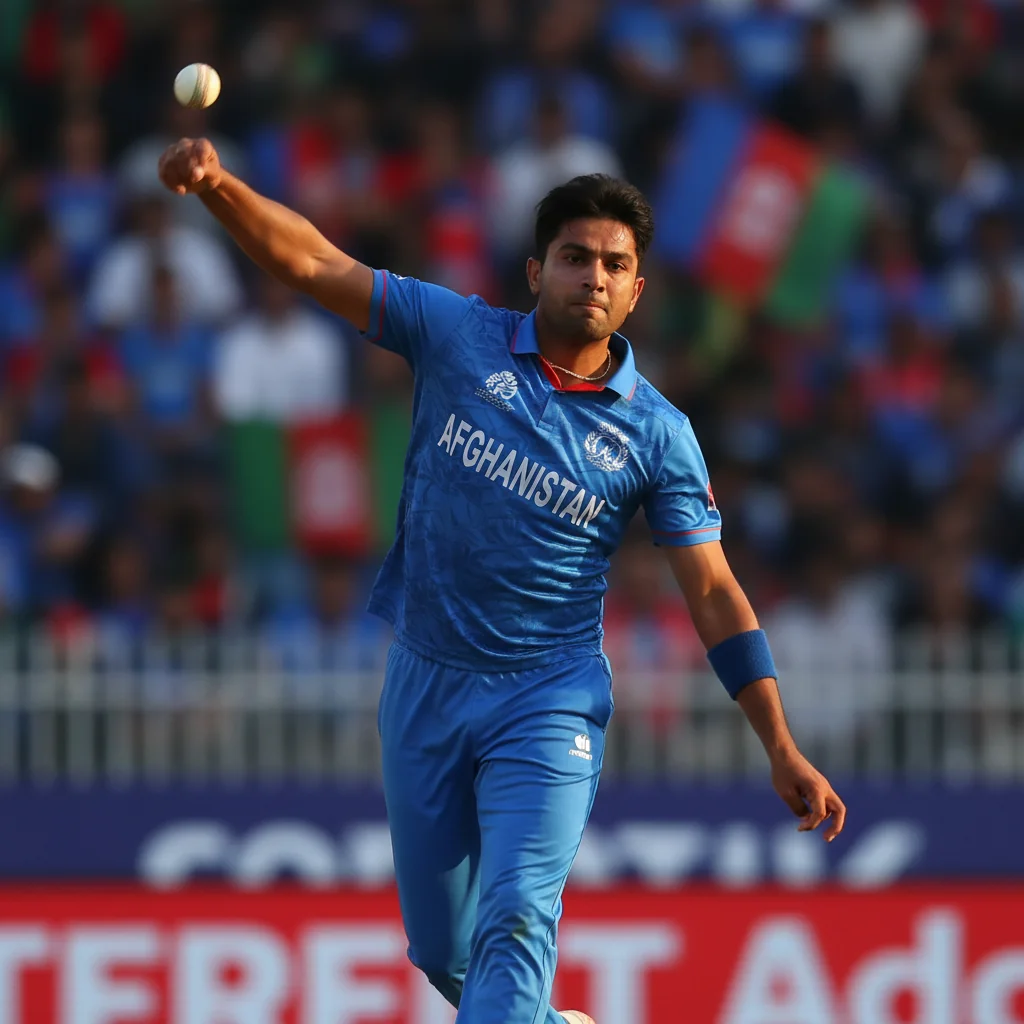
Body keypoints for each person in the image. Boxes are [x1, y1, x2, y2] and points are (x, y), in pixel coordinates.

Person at [158, 138, 847, 1024]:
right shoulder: (458, 335)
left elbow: (713, 592)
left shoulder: (658, 434)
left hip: (547, 697)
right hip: (426, 678)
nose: (593, 277)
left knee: (517, 916)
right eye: (575, 257)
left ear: (636, 291)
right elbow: (317, 264)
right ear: (536, 271)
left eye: (614, 265)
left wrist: (779, 743)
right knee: (445, 954)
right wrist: (217, 186)